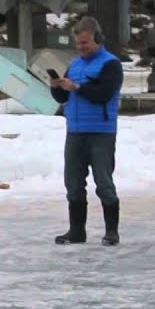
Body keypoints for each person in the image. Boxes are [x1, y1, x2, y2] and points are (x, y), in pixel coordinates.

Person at [50, 16, 124, 247]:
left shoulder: (111, 64)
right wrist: (56, 88)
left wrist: (77, 87)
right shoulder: (75, 65)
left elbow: (103, 93)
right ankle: (76, 231)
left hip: (101, 132)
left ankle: (111, 231)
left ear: (98, 40)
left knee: (103, 182)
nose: (81, 48)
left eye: (85, 43)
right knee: (73, 182)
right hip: (75, 131)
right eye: (78, 43)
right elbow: (64, 97)